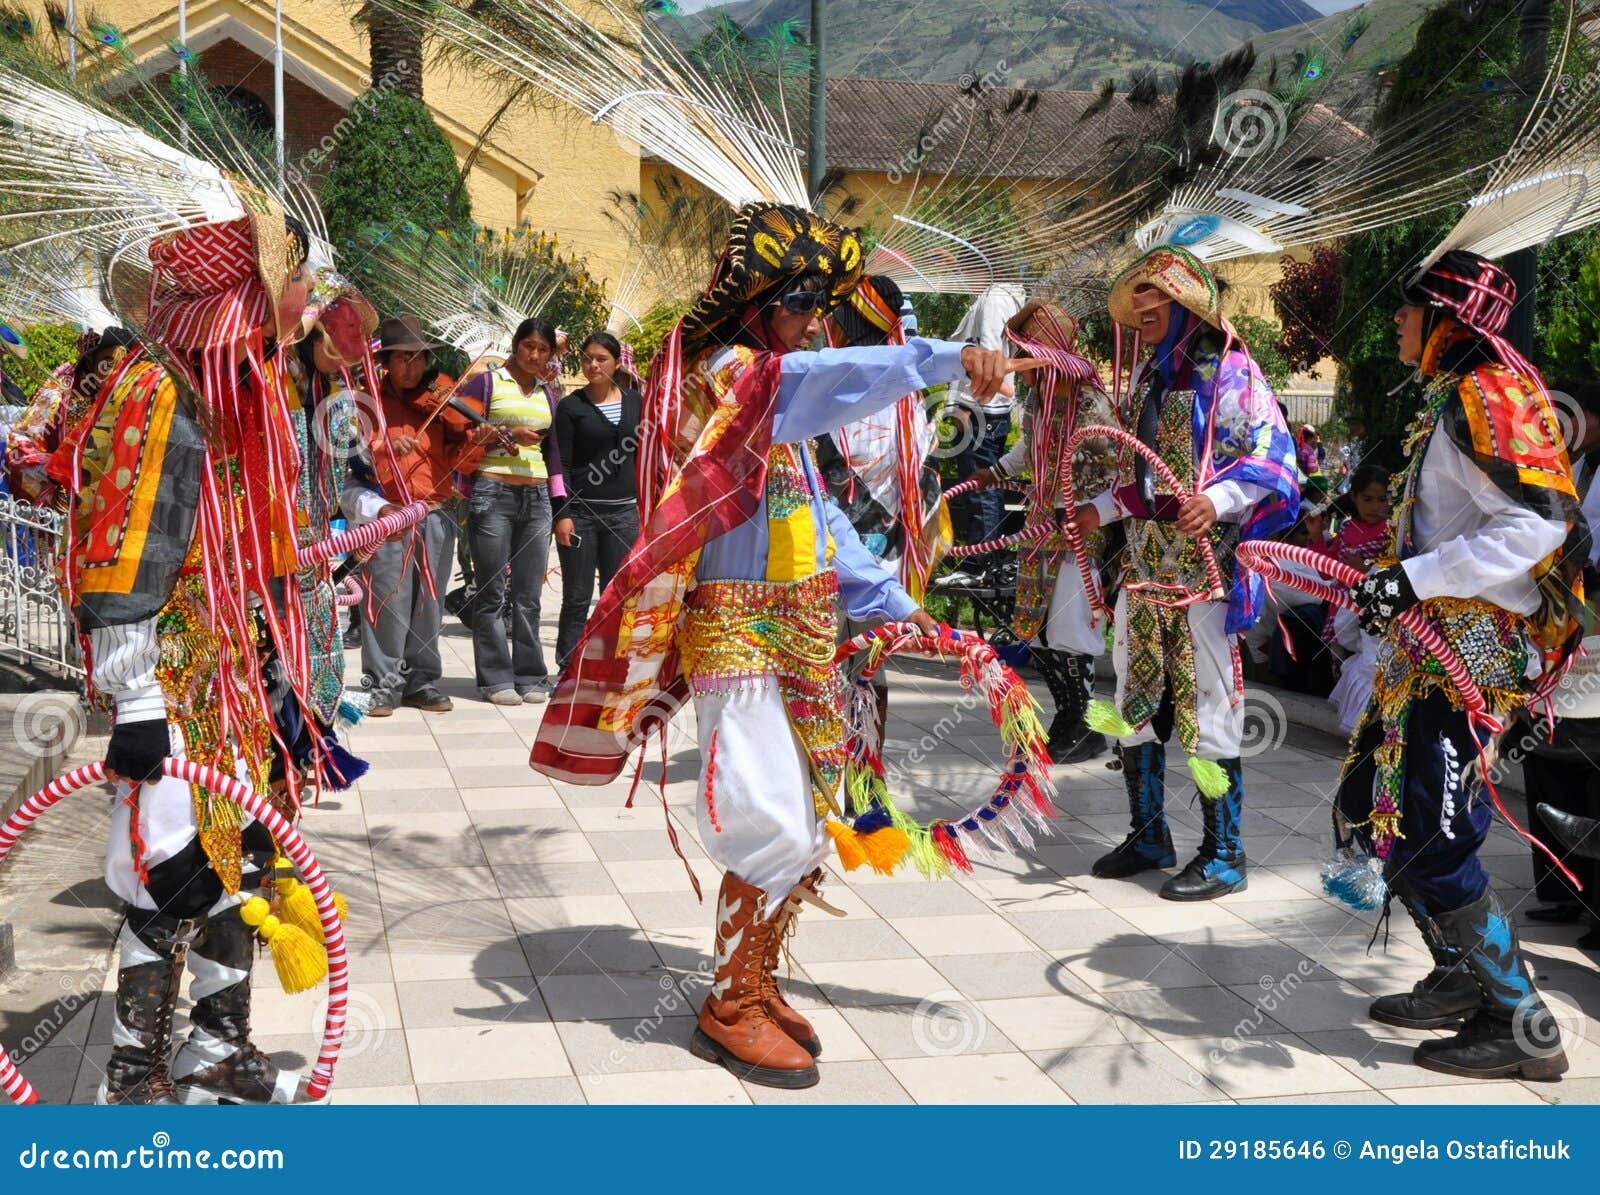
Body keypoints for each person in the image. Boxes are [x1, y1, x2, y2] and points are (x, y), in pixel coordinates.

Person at [532, 202, 1025, 1090]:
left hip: (799, 637)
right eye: (800, 302)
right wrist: (944, 359)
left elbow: (819, 518)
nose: (813, 321)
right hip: (735, 639)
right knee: (770, 819)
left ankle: (754, 980)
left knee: (806, 821)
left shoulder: (778, 420)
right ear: (756, 303)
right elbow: (804, 380)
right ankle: (729, 1005)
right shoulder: (726, 378)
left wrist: (896, 606)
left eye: (822, 305)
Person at [60, 197, 327, 1104]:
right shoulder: (161, 391)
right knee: (168, 877)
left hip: (231, 680)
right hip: (170, 681)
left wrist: (277, 666)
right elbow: (119, 552)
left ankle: (216, 1048)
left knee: (238, 862)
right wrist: (136, 702)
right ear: (248, 292)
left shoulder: (241, 388)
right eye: (299, 277)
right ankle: (132, 1071)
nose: (311, 295)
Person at [1333, 250, 1585, 1080]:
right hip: (1426, 649)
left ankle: (1522, 1023)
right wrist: (1401, 582)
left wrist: (1415, 576)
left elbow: (1541, 524)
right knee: (1372, 803)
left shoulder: (1489, 394)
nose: (1396, 320)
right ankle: (1459, 977)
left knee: (1435, 836)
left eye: (1409, 308)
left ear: (1448, 319)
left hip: (1470, 655)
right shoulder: (1458, 395)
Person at [1071, 245, 1299, 901]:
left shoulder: (1232, 372)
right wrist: (1099, 510)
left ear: (1185, 305)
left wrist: (1218, 500)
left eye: (1154, 296)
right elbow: (1145, 478)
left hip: (1206, 571)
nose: (1141, 307)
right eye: (1137, 296)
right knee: (1133, 700)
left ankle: (1225, 852)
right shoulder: (1153, 376)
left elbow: (1272, 457)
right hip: (1144, 568)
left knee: (1209, 705)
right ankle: (1148, 834)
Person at [968, 301, 1118, 764]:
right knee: (1039, 631)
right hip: (1040, 529)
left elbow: (1117, 471)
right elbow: (1027, 450)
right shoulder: (1040, 401)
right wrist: (993, 472)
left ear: (1046, 357)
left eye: (1025, 354)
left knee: (1070, 629)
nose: (1018, 362)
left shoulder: (1092, 404)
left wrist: (1089, 511)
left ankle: (1086, 726)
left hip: (1079, 534)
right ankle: (1068, 718)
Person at [814, 275, 943, 749]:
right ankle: (868, 770)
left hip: (829, 557)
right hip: (884, 560)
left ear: (845, 324)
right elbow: (923, 473)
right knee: (869, 668)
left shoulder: (832, 390)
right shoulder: (907, 397)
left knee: (828, 669)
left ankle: (839, 768)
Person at [352, 315, 491, 716]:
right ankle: (381, 684)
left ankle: (422, 681)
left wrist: (476, 442)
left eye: (418, 359)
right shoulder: (367, 402)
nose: (411, 368)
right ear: (387, 362)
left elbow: (460, 463)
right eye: (402, 359)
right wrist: (383, 446)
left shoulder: (442, 402)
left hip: (435, 512)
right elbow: (349, 453)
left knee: (429, 601)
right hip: (387, 515)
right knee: (386, 600)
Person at [455, 318, 565, 704]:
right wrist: (504, 435)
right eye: (528, 346)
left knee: (528, 594)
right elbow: (459, 432)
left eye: (543, 349)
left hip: (537, 498)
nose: (534, 355)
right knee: (491, 592)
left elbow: (554, 452)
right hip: (492, 493)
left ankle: (531, 675)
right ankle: (495, 678)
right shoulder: (487, 383)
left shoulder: (548, 393)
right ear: (516, 345)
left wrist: (559, 502)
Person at [551, 331, 640, 671]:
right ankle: (568, 668)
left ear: (617, 363)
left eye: (601, 358)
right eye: (587, 358)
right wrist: (562, 513)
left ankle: (609, 668)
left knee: (615, 596)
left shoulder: (636, 403)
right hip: (581, 516)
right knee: (576, 596)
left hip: (625, 515)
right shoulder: (571, 407)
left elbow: (647, 454)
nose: (593, 365)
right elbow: (560, 464)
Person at [947, 282, 1026, 578]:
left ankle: (979, 564)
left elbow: (990, 360)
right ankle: (988, 559)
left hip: (982, 410)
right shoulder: (1002, 297)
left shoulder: (994, 299)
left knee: (979, 488)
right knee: (985, 485)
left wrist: (969, 407)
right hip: (989, 409)